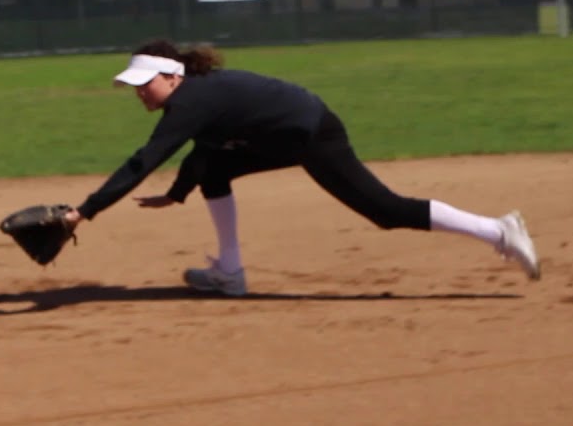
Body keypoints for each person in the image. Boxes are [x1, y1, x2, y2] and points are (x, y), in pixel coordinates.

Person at [62, 39, 540, 296]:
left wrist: (84, 212)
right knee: (215, 170)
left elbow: (145, 159)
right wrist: (179, 192)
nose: (140, 91)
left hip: (314, 133)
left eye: (146, 82)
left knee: (385, 210)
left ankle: (500, 230)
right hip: (284, 132)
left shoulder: (191, 100)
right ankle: (230, 272)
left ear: (173, 76)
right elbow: (204, 150)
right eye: (134, 84)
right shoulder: (194, 101)